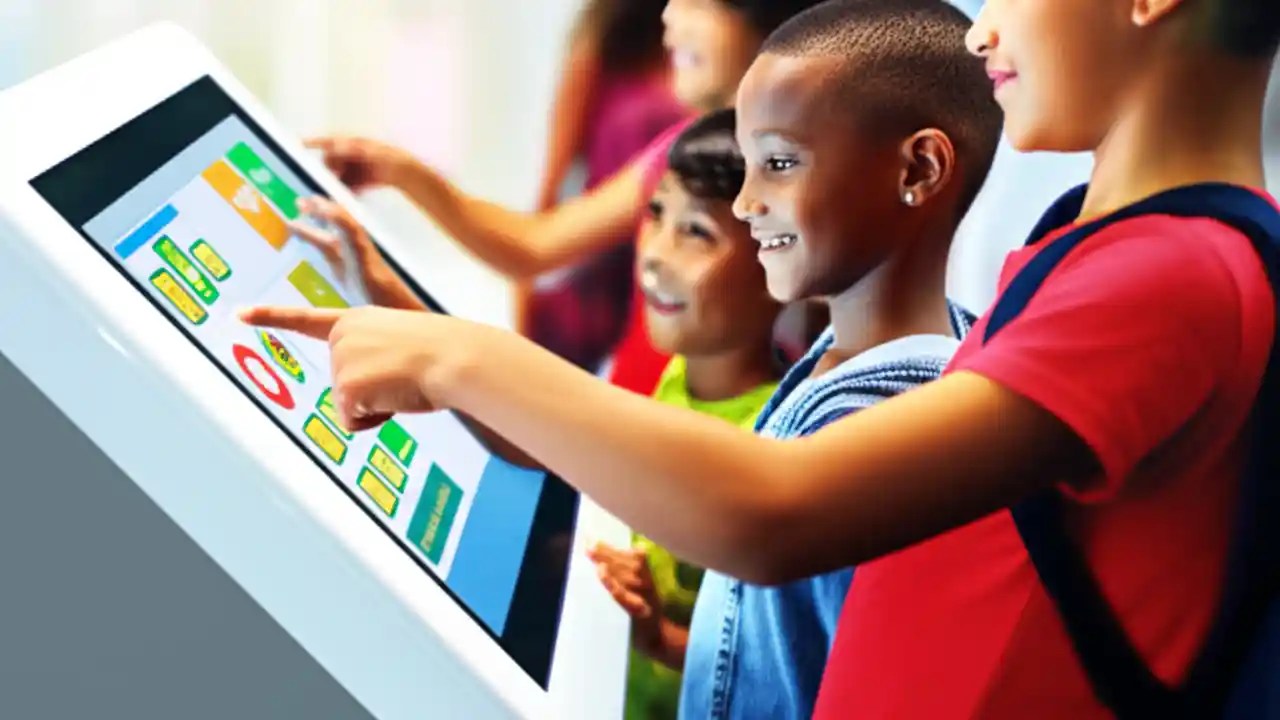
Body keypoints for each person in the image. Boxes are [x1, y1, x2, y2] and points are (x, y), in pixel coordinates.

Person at [254, 0, 1280, 716]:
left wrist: (457, 357)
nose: (983, 29)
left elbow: (770, 511)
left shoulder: (1170, 275)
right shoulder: (1099, 252)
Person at [303, 0, 827, 396]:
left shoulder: (811, 179)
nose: (672, 14)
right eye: (657, 216)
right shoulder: (681, 140)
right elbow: (537, 242)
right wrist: (401, 171)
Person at [588, 109, 782, 720]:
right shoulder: (677, 376)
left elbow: (773, 664)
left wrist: (657, 639)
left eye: (697, 232)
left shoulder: (771, 438)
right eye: (656, 215)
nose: (655, 255)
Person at [518, 0, 686, 373]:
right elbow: (548, 193)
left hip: (662, 298)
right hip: (589, 300)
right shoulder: (606, 38)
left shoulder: (703, 56)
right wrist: (522, 304)